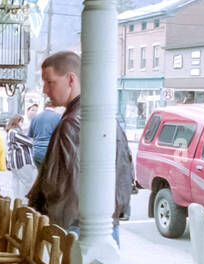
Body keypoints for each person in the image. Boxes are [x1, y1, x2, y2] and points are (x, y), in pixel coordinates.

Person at [27, 50, 134, 245]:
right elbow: (126, 170)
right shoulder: (106, 116)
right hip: (105, 223)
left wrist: (45, 217)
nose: (45, 89)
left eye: (50, 82)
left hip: (75, 226)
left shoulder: (71, 123)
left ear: (70, 79)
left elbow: (60, 184)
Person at [5, 115, 36, 199]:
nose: (22, 123)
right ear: (16, 122)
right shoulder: (15, 132)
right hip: (21, 161)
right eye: (21, 121)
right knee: (27, 182)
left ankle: (16, 199)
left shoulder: (10, 132)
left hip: (14, 162)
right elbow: (30, 142)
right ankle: (24, 202)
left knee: (16, 180)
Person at [28, 101, 61, 167]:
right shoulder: (58, 117)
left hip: (37, 153)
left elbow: (30, 136)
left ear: (44, 107)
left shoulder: (35, 118)